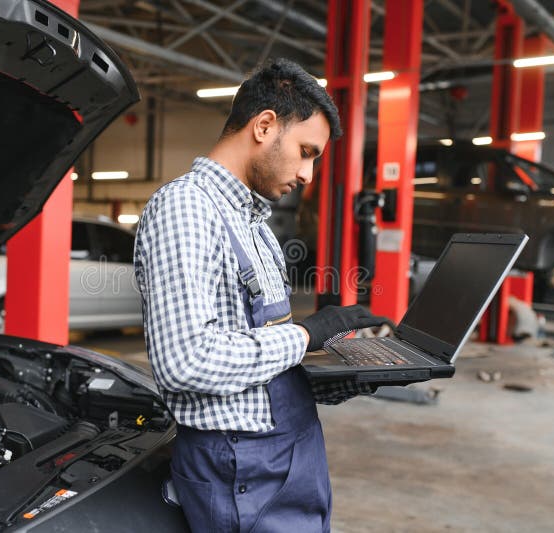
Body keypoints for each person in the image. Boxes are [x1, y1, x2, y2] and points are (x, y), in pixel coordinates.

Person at [134, 58, 381, 532]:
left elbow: (266, 367)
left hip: (286, 452)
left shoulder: (254, 223)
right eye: (306, 151)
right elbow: (186, 360)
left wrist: (354, 375)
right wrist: (306, 335)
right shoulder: (186, 207)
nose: (308, 174)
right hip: (241, 467)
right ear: (265, 125)